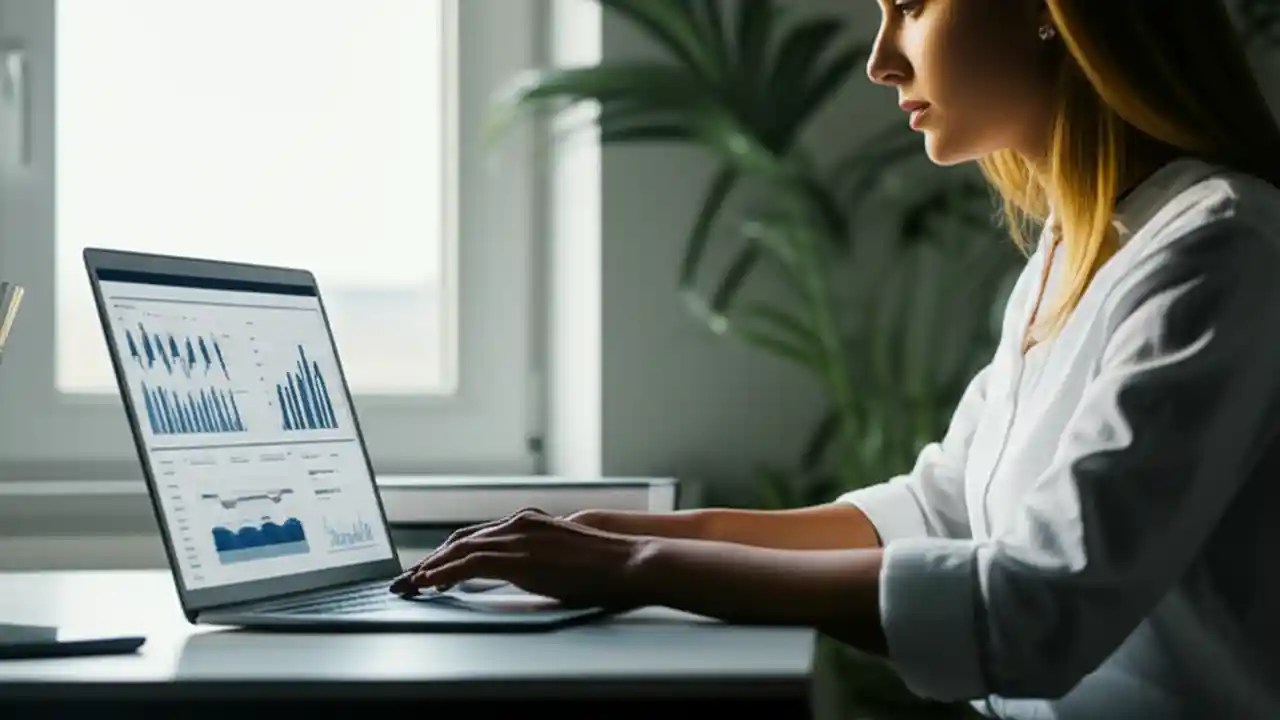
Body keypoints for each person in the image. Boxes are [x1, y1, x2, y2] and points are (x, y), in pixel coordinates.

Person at [392, 1, 1280, 716]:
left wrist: (639, 570)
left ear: (1048, 12)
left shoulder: (1222, 248)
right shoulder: (1079, 248)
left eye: (911, 8)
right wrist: (620, 535)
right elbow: (937, 508)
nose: (881, 61)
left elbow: (1036, 610)